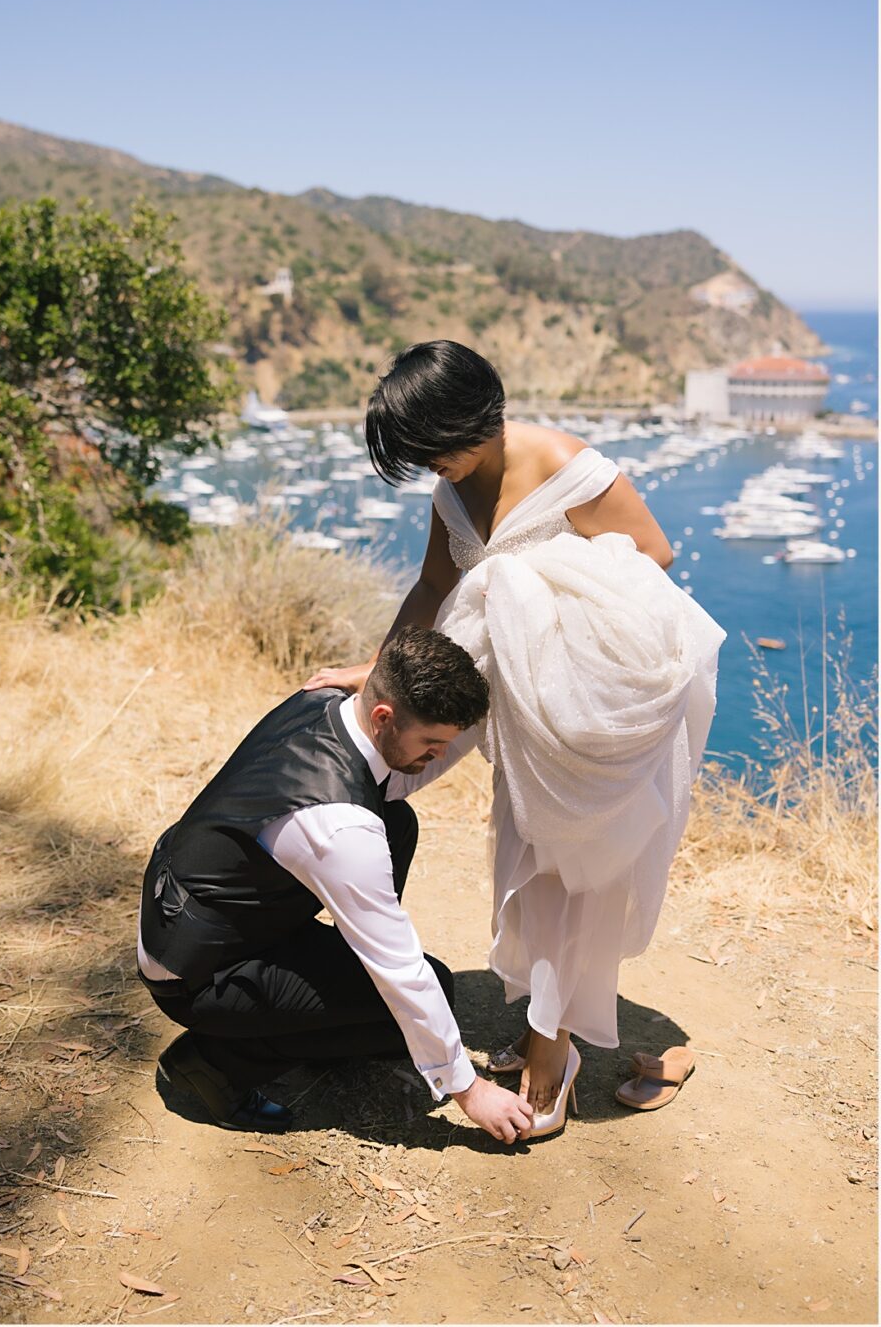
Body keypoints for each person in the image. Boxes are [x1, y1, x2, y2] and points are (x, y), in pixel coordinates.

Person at [308, 341, 723, 1135]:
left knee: (578, 870)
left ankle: (552, 1047)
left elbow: (654, 559)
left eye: (439, 446)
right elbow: (436, 586)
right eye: (421, 455)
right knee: (530, 861)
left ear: (481, 416)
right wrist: (376, 670)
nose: (435, 465)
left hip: (590, 710)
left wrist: (533, 595)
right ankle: (545, 1022)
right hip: (524, 713)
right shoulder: (450, 489)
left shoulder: (574, 468)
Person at [139, 627, 537, 1144]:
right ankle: (216, 1062)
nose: (439, 757)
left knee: (397, 822)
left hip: (200, 913)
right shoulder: (339, 827)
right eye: (432, 744)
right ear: (383, 716)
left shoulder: (325, 699)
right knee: (422, 994)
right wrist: (469, 1089)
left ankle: (306, 1016)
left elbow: (395, 723)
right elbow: (398, 968)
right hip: (197, 974)